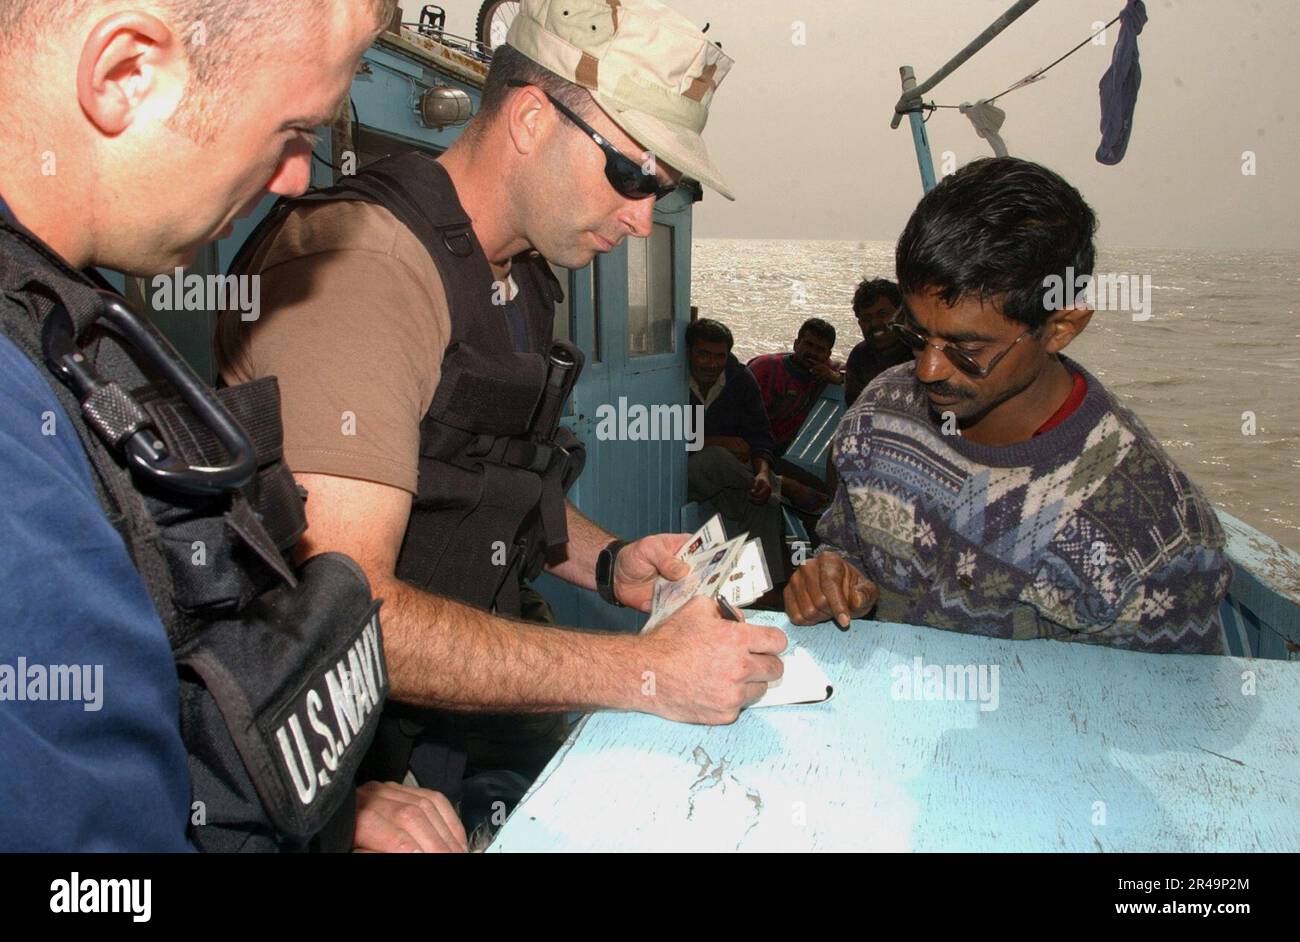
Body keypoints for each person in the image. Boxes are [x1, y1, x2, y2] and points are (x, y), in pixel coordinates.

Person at [216, 0, 787, 806]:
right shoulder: (364, 269)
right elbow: (348, 612)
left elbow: (489, 480)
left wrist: (611, 562)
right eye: (630, 175)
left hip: (454, 707)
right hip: (342, 752)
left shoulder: (519, 278)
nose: (639, 217)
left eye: (663, 189)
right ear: (528, 118)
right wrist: (647, 670)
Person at [0, 0, 465, 852]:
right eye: (293, 130)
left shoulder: (61, 313)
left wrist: (324, 811)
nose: (295, 178)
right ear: (125, 72)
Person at [786, 157, 1230, 654]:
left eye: (967, 350)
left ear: (1060, 328)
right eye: (914, 333)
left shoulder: (1146, 529)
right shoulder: (882, 411)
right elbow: (847, 544)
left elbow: (1164, 716)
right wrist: (839, 577)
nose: (928, 370)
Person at [685, 318, 786, 583]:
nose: (711, 363)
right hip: (680, 477)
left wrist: (763, 473)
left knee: (763, 501)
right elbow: (654, 434)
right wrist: (714, 441)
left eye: (719, 356)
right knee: (716, 457)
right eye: (703, 354)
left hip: (724, 482)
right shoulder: (667, 379)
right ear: (689, 352)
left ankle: (765, 587)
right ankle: (784, 488)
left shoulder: (739, 379)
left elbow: (760, 436)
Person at [747, 317, 844, 454]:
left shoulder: (825, 372)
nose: (813, 353)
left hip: (787, 451)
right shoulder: (765, 368)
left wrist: (838, 378)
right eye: (808, 344)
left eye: (820, 349)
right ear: (796, 344)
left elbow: (851, 370)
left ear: (828, 355)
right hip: (751, 445)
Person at [844, 278, 911, 407]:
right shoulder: (859, 357)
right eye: (866, 318)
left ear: (901, 315)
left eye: (882, 314)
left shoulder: (920, 352)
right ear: (860, 323)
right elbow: (856, 408)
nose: (875, 323)